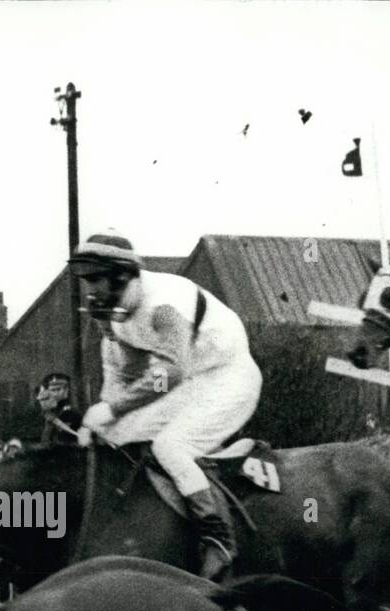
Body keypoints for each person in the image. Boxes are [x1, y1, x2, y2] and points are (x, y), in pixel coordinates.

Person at [69, 231, 262, 583]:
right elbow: (121, 376)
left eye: (95, 279)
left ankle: (218, 538)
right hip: (194, 379)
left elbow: (170, 373)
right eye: (86, 280)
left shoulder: (163, 305)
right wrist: (100, 420)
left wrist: (112, 409)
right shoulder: (110, 312)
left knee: (170, 446)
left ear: (121, 274)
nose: (89, 290)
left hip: (229, 377)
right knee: (113, 436)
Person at [36, 372, 82, 446]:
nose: (62, 392)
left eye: (65, 388)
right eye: (56, 389)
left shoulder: (73, 413)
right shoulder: (40, 413)